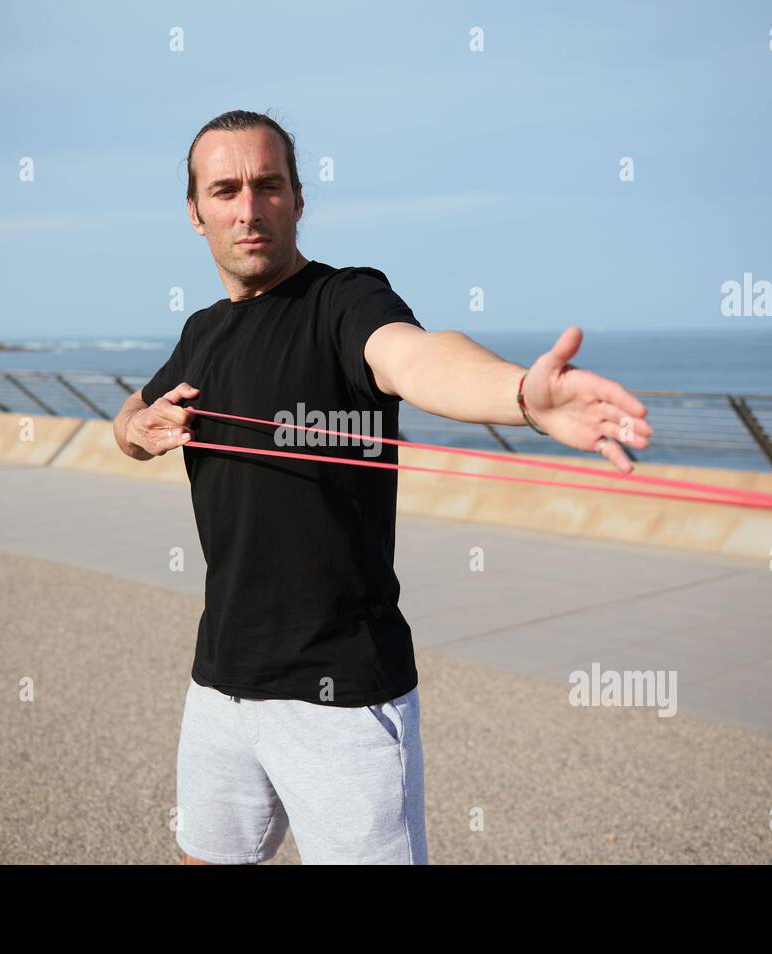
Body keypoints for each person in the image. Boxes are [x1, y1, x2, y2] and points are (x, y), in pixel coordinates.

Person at [111, 110, 653, 865]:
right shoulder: (202, 332)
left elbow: (419, 357)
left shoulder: (345, 300)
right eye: (225, 189)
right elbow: (134, 413)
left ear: (299, 198)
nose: (248, 208)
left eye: (268, 185)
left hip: (344, 701)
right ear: (195, 213)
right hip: (220, 685)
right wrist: (136, 431)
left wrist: (523, 396)